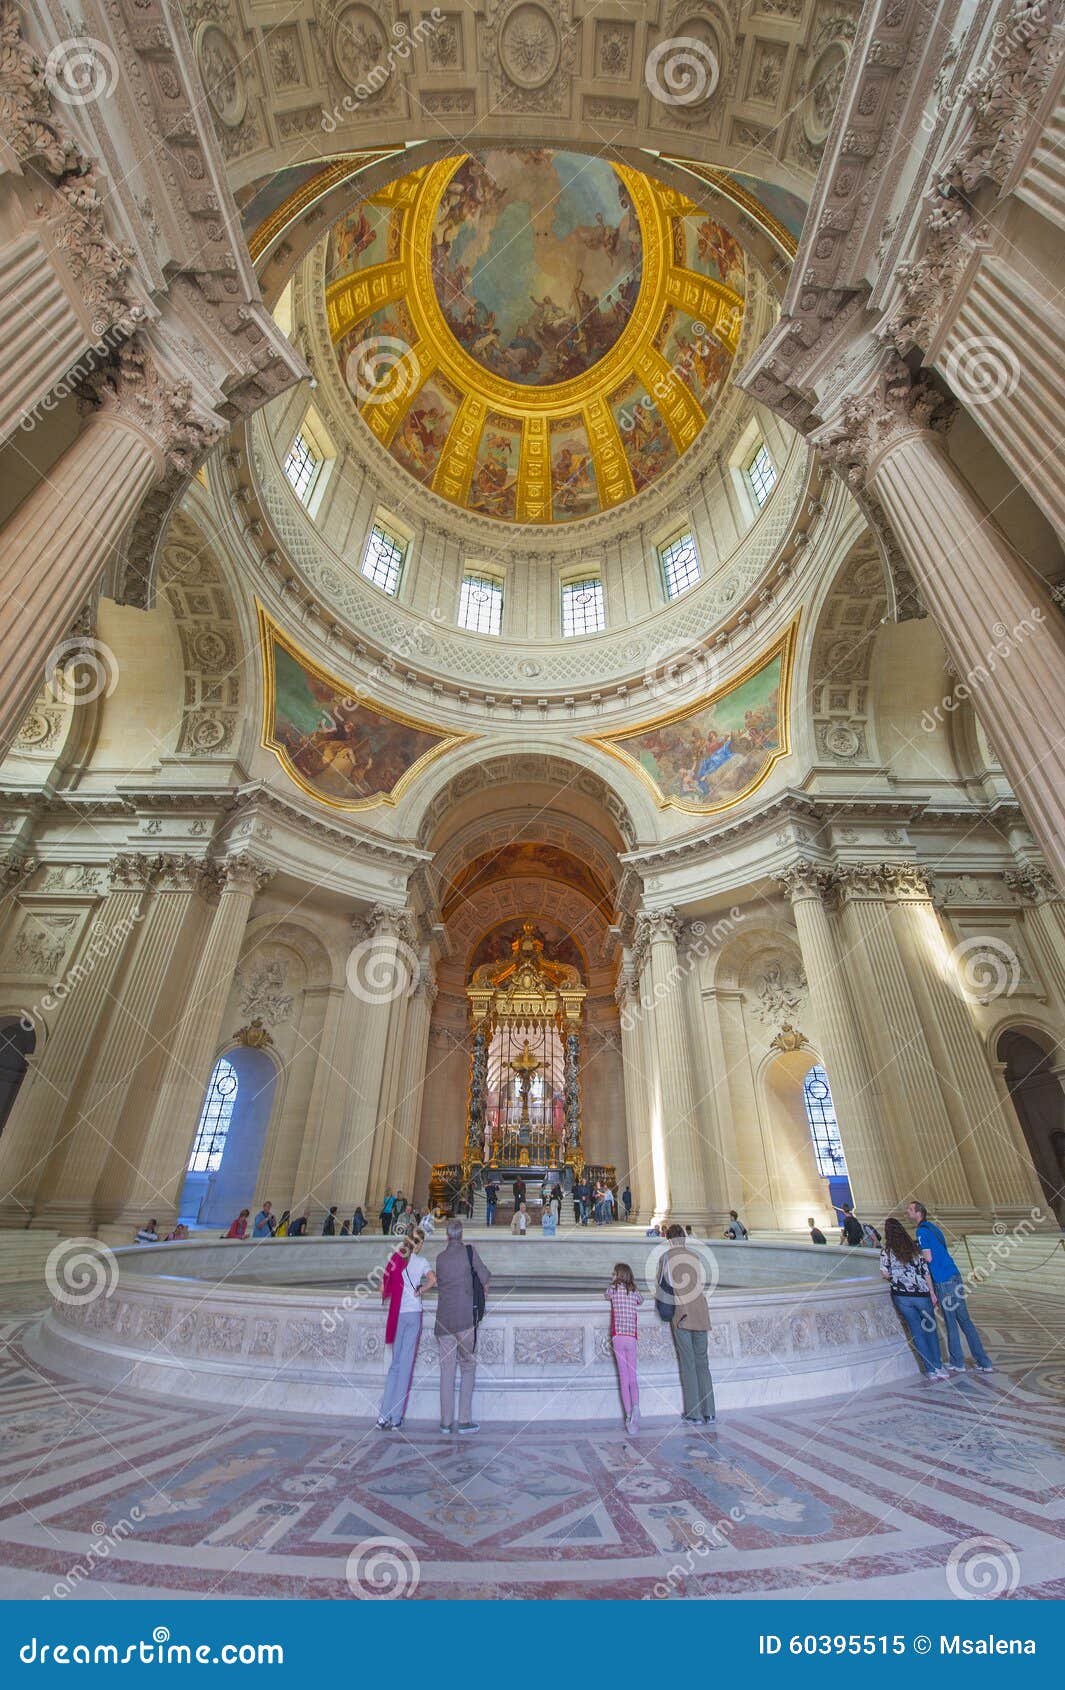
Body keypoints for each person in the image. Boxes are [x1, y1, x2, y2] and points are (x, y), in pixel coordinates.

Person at [907, 1200, 993, 1374]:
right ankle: (984, 1361)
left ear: (918, 1213)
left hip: (942, 1279)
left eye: (909, 1210)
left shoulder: (922, 1231)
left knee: (950, 1322)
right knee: (966, 1321)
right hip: (954, 1274)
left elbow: (928, 1258)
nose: (907, 1213)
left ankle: (957, 1362)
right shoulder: (934, 1227)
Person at [433, 1219, 491, 1434]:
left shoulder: (439, 1258)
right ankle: (464, 1420)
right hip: (465, 1319)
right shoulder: (469, 1252)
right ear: (462, 1235)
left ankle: (446, 1423)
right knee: (467, 1366)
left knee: (446, 1371)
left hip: (443, 1321)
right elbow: (485, 1276)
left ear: (447, 1236)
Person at [377, 1227, 436, 1431]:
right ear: (418, 1245)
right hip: (413, 1315)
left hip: (397, 1314)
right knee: (405, 1366)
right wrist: (421, 1290)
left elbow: (383, 1287)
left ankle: (382, 1415)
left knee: (394, 1365)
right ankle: (396, 1417)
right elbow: (433, 1280)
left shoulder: (395, 1260)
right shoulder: (420, 1262)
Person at [658, 1225, 716, 1424]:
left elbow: (662, 1286)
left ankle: (694, 1413)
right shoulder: (695, 1256)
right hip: (701, 1312)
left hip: (682, 1314)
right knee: (703, 1363)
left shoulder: (666, 1257)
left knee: (688, 1364)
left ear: (669, 1238)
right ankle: (710, 1412)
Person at [880, 1216, 948, 1380]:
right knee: (931, 1329)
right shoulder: (915, 1249)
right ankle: (939, 1366)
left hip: (902, 1296)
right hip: (921, 1294)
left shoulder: (886, 1252)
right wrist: (932, 1292)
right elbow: (926, 1273)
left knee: (917, 1332)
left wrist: (897, 1278)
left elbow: (885, 1273)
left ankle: (930, 1370)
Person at [605, 1262, 643, 1432]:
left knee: (623, 1379)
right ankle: (636, 1408)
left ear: (618, 1275)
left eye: (613, 1274)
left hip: (618, 1337)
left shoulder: (613, 1290)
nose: (612, 1276)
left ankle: (629, 1417)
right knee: (633, 1377)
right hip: (631, 1337)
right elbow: (641, 1301)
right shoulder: (634, 1292)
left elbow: (606, 1295)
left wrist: (613, 1284)